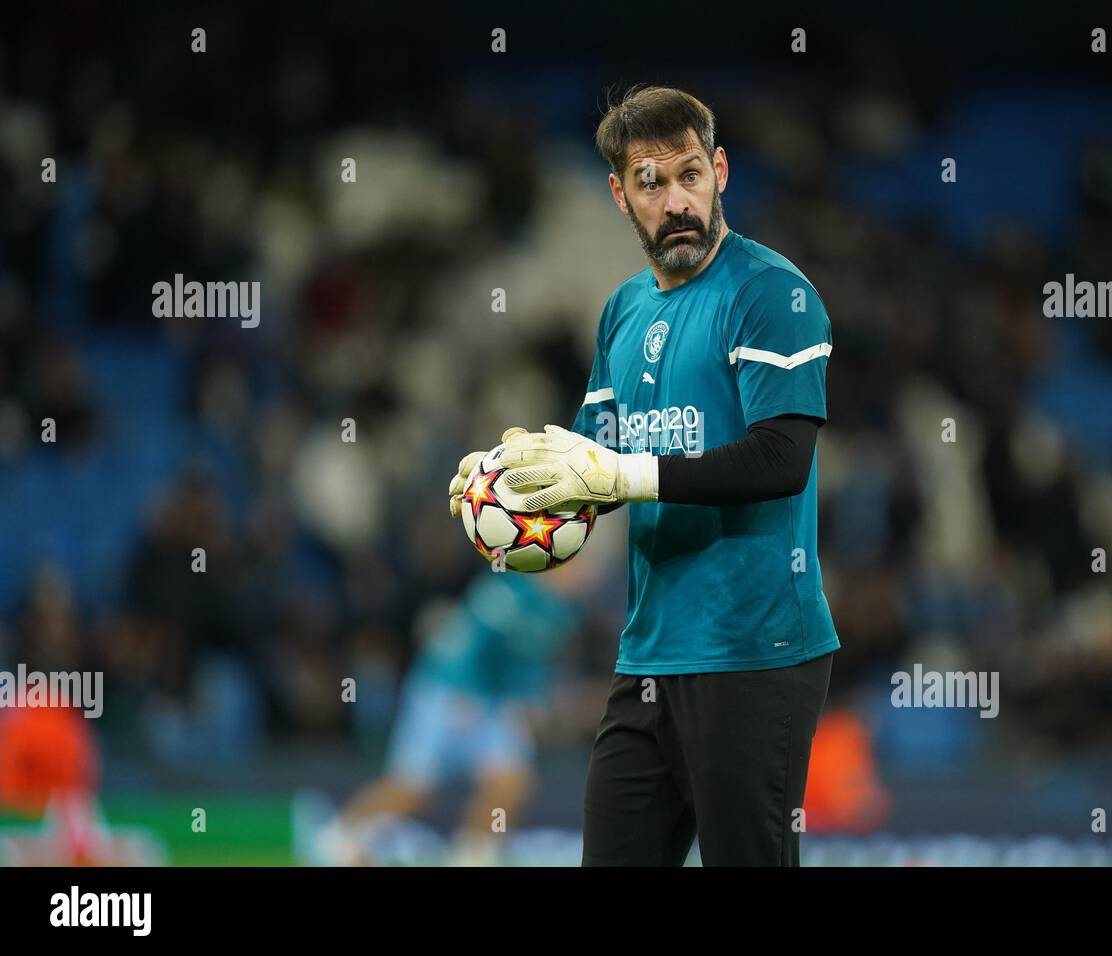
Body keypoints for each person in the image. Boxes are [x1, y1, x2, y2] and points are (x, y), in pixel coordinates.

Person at [449, 86, 839, 866]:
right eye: (651, 183)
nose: (677, 199)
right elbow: (589, 473)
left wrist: (620, 476)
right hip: (650, 656)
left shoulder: (772, 293)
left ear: (720, 170)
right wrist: (508, 482)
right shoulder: (622, 311)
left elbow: (780, 461)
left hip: (756, 648)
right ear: (620, 194)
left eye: (690, 172)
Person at [320, 563, 589, 866]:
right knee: (415, 788)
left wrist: (530, 703)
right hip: (446, 690)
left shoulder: (566, 611)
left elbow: (533, 662)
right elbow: (467, 641)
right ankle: (342, 831)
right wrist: (464, 694)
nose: (583, 575)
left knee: (512, 782)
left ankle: (472, 855)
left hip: (497, 703)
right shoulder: (505, 591)